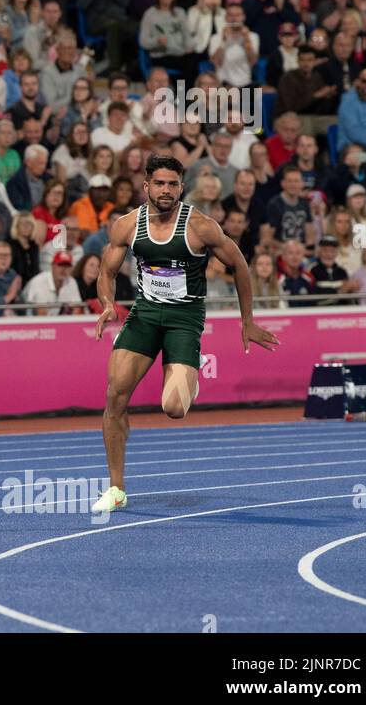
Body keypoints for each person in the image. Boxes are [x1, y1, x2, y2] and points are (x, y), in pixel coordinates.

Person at [90, 156, 280, 514]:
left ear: (181, 187)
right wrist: (107, 303)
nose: (166, 190)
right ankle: (116, 488)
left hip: (184, 318)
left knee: (173, 409)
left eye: (173, 184)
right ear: (146, 186)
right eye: (159, 183)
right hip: (144, 316)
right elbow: (107, 270)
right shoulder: (127, 225)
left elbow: (239, 264)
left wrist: (248, 321)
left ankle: (188, 378)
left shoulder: (200, 226)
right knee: (115, 397)